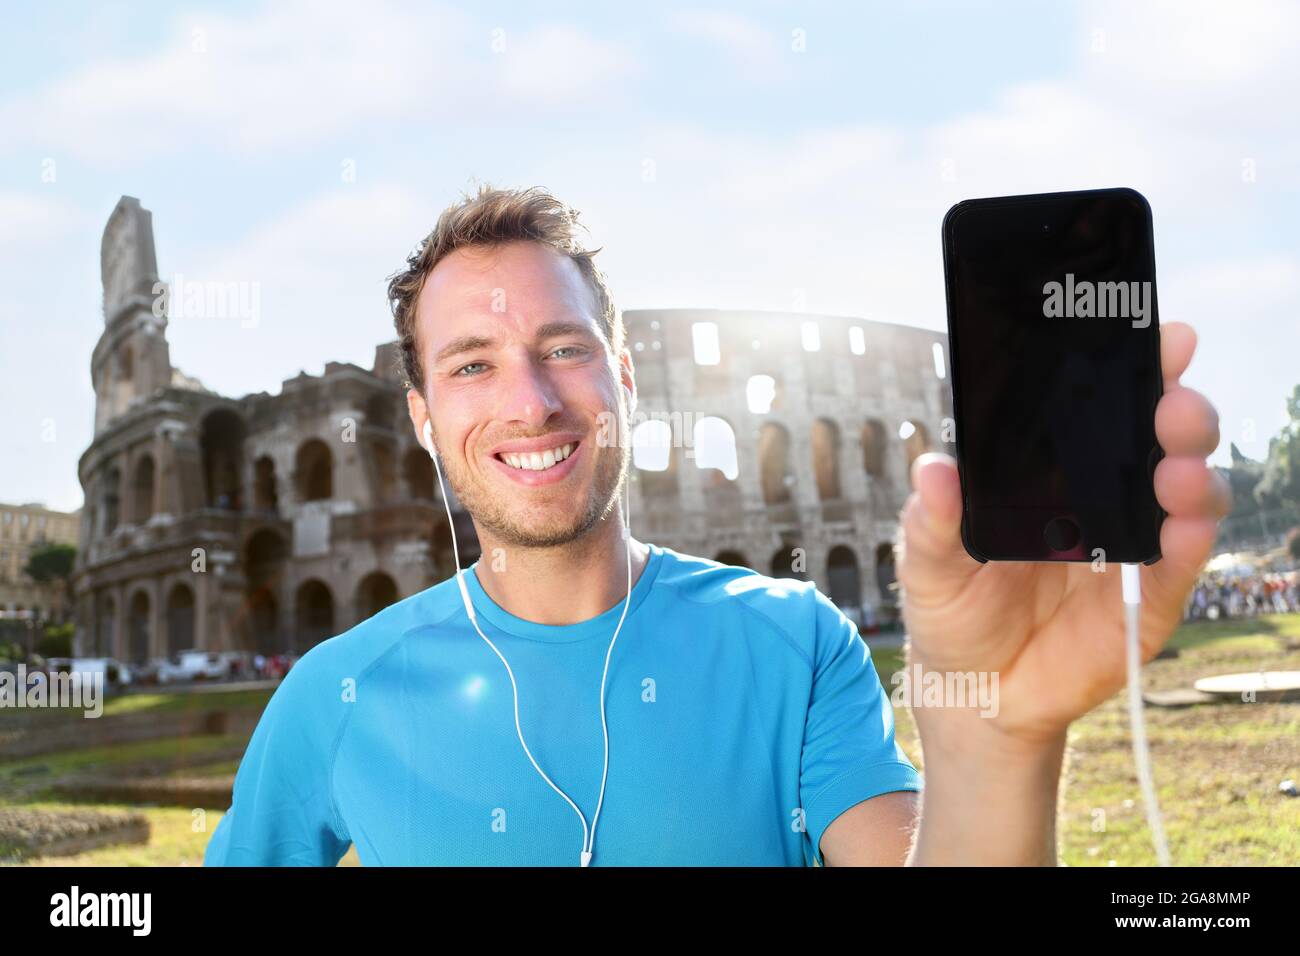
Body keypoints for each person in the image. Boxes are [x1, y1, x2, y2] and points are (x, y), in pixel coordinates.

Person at [204, 185, 1228, 866]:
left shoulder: (795, 638)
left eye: (564, 349)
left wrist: (998, 740)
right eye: (471, 363)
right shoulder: (334, 692)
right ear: (423, 414)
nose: (530, 402)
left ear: (628, 377)